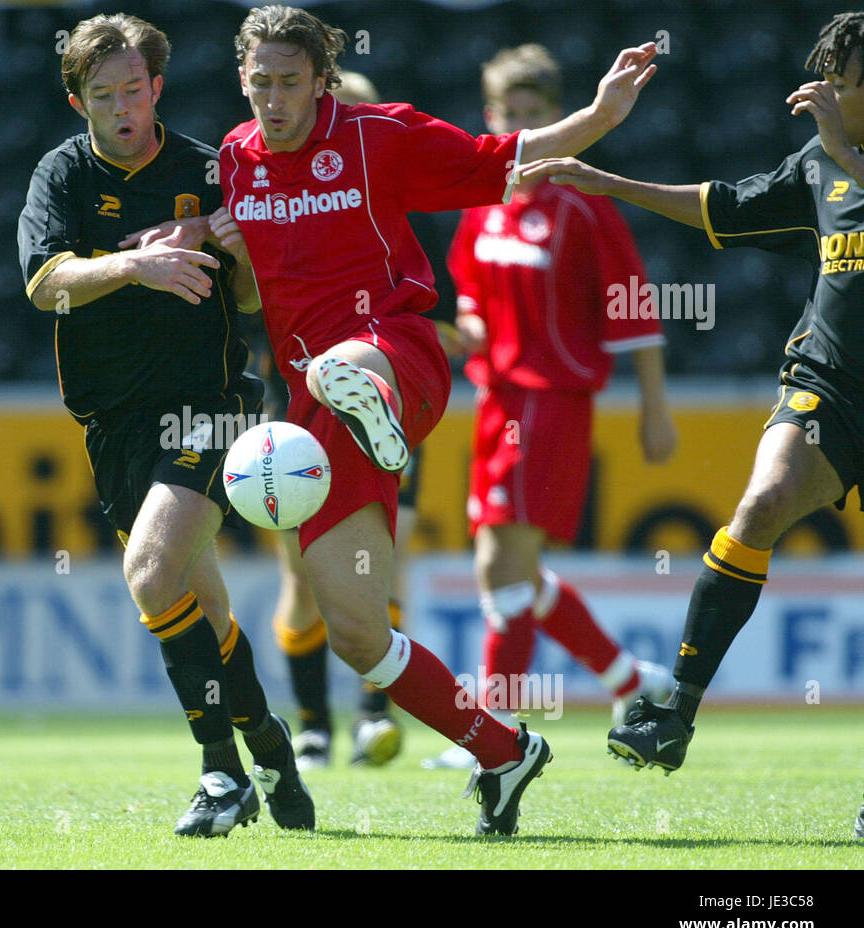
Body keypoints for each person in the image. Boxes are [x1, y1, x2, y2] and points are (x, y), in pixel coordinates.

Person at [219, 3, 659, 834]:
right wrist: (221, 248)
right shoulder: (237, 163)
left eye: (289, 83)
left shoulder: (379, 136)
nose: (273, 100)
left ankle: (378, 411)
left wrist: (598, 117)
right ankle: (502, 748)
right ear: (242, 81)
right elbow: (249, 295)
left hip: (397, 349)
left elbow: (504, 157)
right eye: (259, 84)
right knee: (356, 630)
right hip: (315, 410)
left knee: (345, 364)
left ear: (322, 80)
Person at [514, 13, 864, 818]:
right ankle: (674, 709)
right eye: (831, 79)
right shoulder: (821, 166)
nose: (831, 94)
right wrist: (610, 184)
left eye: (844, 80)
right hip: (830, 386)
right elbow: (727, 207)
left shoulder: (838, 155)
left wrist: (846, 153)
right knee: (761, 503)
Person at [18, 13, 313, 837]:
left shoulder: (210, 170)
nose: (123, 107)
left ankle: (221, 773)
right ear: (78, 101)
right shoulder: (62, 177)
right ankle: (268, 744)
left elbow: (252, 299)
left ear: (157, 87)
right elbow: (46, 285)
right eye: (103, 95)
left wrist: (243, 249)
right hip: (112, 425)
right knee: (203, 615)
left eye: (135, 90)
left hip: (207, 408)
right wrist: (136, 264)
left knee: (151, 574)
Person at [425, 44, 677, 771]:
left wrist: (655, 408)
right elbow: (471, 308)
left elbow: (636, 309)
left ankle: (495, 724)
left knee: (501, 562)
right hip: (495, 397)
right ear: (493, 119)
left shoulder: (582, 205)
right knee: (512, 570)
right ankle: (634, 681)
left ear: (557, 117)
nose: (524, 125)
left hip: (553, 400)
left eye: (537, 114)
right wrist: (441, 329)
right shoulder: (484, 207)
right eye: (512, 114)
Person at [262, 69, 410, 770]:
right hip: (290, 404)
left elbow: (422, 310)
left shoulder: (383, 200)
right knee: (302, 573)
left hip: (376, 388)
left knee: (379, 564)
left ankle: (373, 712)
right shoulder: (263, 193)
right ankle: (315, 725)